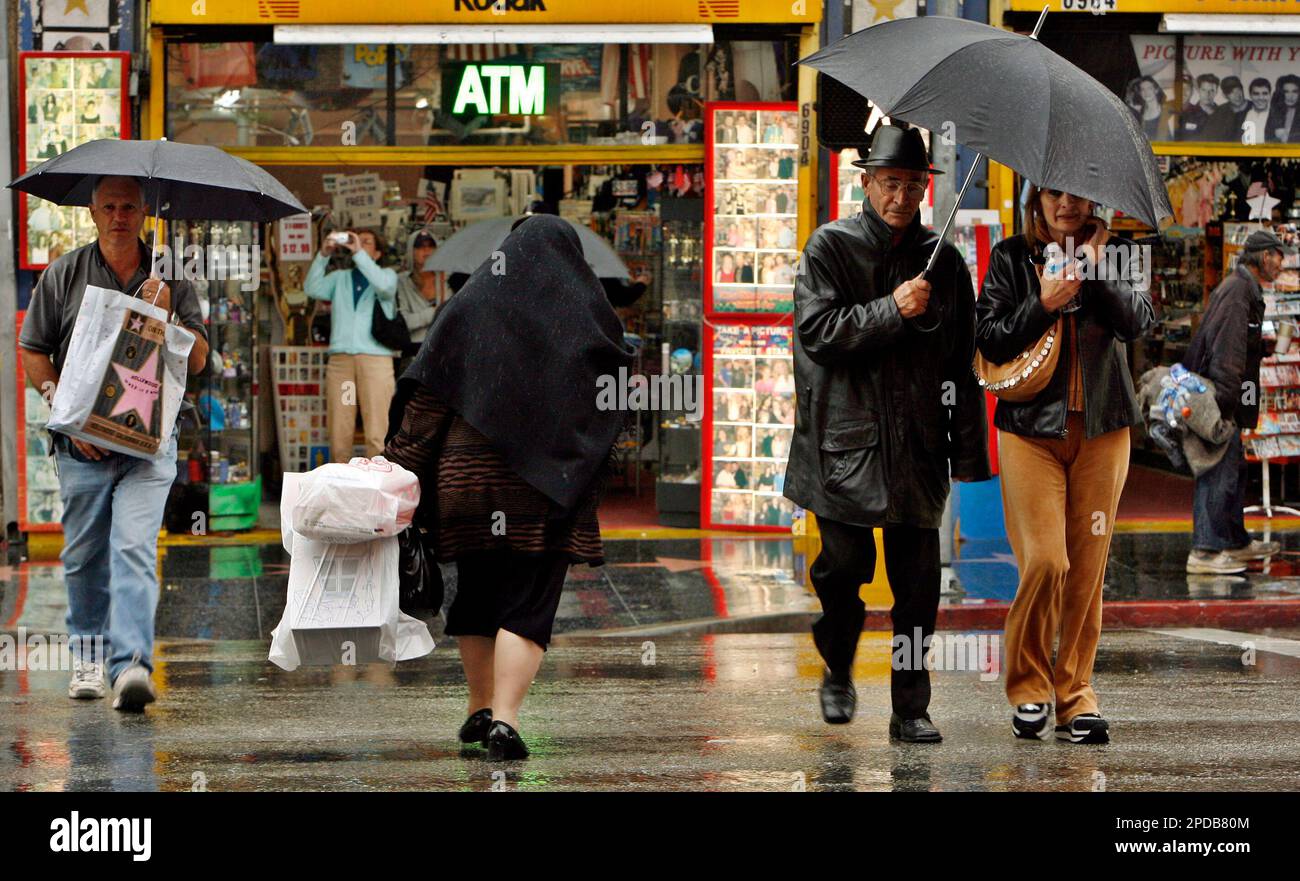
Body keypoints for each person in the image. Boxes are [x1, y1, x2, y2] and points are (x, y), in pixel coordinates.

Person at [383, 215, 632, 761]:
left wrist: (394, 468)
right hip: (544, 489)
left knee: (475, 595)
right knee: (528, 601)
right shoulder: (588, 316)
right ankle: (505, 719)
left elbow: (427, 401)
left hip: (466, 484)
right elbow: (617, 402)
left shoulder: (469, 307)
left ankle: (479, 704)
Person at [781, 126, 990, 740]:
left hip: (919, 449)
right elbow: (817, 332)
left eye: (914, 184)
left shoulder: (944, 262)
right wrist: (891, 309)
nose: (902, 196)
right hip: (843, 446)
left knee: (918, 590)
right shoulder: (830, 248)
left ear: (928, 186)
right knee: (842, 572)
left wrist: (969, 457)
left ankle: (911, 707)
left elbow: (963, 362)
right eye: (890, 183)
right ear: (865, 181)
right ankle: (838, 664)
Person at [18, 175, 210, 712]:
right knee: (83, 553)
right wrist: (65, 410)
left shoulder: (170, 277)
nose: (119, 216)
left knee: (133, 549)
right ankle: (88, 655)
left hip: (148, 447)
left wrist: (169, 311)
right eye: (109, 206)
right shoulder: (64, 275)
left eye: (129, 206)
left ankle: (130, 666)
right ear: (93, 213)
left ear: (145, 212)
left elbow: (198, 362)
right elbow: (34, 350)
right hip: (82, 448)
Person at [975, 186, 1153, 745]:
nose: (1065, 205)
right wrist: (1044, 302)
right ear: (1037, 197)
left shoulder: (1118, 252)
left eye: (1077, 196)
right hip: (1030, 432)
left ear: (1094, 201)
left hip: (1103, 430)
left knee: (1087, 570)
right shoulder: (1011, 256)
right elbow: (988, 336)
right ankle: (1028, 685)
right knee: (1047, 560)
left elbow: (1138, 322)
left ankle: (1075, 698)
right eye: (1054, 194)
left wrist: (1097, 271)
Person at [1184, 230, 1291, 574]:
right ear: (1263, 257)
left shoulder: (1245, 288)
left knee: (1233, 468)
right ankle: (1206, 550)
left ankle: (1232, 541)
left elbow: (1238, 343)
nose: (1281, 263)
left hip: (1228, 394)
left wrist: (1264, 348)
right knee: (1218, 470)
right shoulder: (1238, 290)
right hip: (1220, 396)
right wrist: (1225, 406)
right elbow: (1227, 352)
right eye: (1278, 255)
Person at [305, 228, 399, 463]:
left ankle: (378, 483)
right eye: (356, 241)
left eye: (366, 242)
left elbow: (385, 288)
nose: (358, 245)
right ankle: (342, 481)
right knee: (341, 425)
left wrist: (359, 254)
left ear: (377, 253)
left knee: (378, 426)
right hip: (342, 362)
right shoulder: (340, 278)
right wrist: (323, 255)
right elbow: (311, 288)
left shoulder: (387, 275)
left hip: (375, 360)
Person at [394, 229, 442, 375]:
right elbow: (405, 322)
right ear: (411, 252)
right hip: (413, 355)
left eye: (430, 246)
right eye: (420, 247)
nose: (426, 251)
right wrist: (435, 312)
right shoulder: (400, 282)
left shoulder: (447, 280)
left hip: (443, 350)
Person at [1204, 76, 1250, 142]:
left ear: (1242, 90)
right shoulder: (1219, 113)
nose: (1236, 95)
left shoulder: (1255, 108)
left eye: (1238, 90)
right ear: (1224, 95)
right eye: (1231, 92)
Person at [1177, 73, 1220, 141]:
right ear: (1199, 90)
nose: (1207, 94)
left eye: (1211, 90)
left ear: (1216, 92)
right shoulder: (1185, 114)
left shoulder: (1224, 115)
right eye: (1204, 90)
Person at [1267, 75, 1300, 144]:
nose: (1290, 96)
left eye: (1295, 91)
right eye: (1286, 92)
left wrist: (1288, 137)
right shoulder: (1274, 110)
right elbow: (1267, 138)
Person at [1244, 78, 1273, 145]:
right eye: (1256, 94)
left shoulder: (1277, 117)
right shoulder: (1243, 115)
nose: (1261, 98)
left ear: (1270, 95)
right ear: (1250, 95)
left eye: (1265, 93)